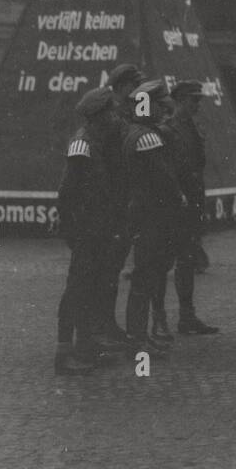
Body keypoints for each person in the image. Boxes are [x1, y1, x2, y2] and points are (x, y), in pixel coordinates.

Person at [54, 86, 125, 375]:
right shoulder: (82, 145)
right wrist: (72, 232)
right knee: (76, 290)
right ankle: (63, 353)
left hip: (100, 230)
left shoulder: (99, 144)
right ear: (99, 116)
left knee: (92, 289)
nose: (115, 116)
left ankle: (85, 347)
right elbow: (66, 193)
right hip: (86, 231)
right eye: (110, 112)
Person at [122, 78, 187, 354]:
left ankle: (137, 335)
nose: (163, 111)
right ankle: (137, 336)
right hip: (153, 216)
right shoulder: (148, 138)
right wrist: (179, 199)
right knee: (146, 275)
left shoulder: (132, 132)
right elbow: (164, 178)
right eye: (160, 106)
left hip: (140, 213)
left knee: (144, 275)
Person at [153, 80, 220, 336]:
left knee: (187, 259)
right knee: (163, 262)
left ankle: (187, 316)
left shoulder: (192, 127)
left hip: (192, 201)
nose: (198, 105)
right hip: (175, 203)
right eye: (194, 100)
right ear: (180, 101)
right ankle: (158, 319)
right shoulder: (167, 129)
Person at [96, 61, 145, 341]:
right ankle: (101, 325)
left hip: (123, 200)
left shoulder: (125, 113)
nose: (138, 89)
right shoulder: (113, 116)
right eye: (135, 84)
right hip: (113, 202)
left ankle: (107, 322)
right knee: (107, 267)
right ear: (125, 86)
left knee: (113, 267)